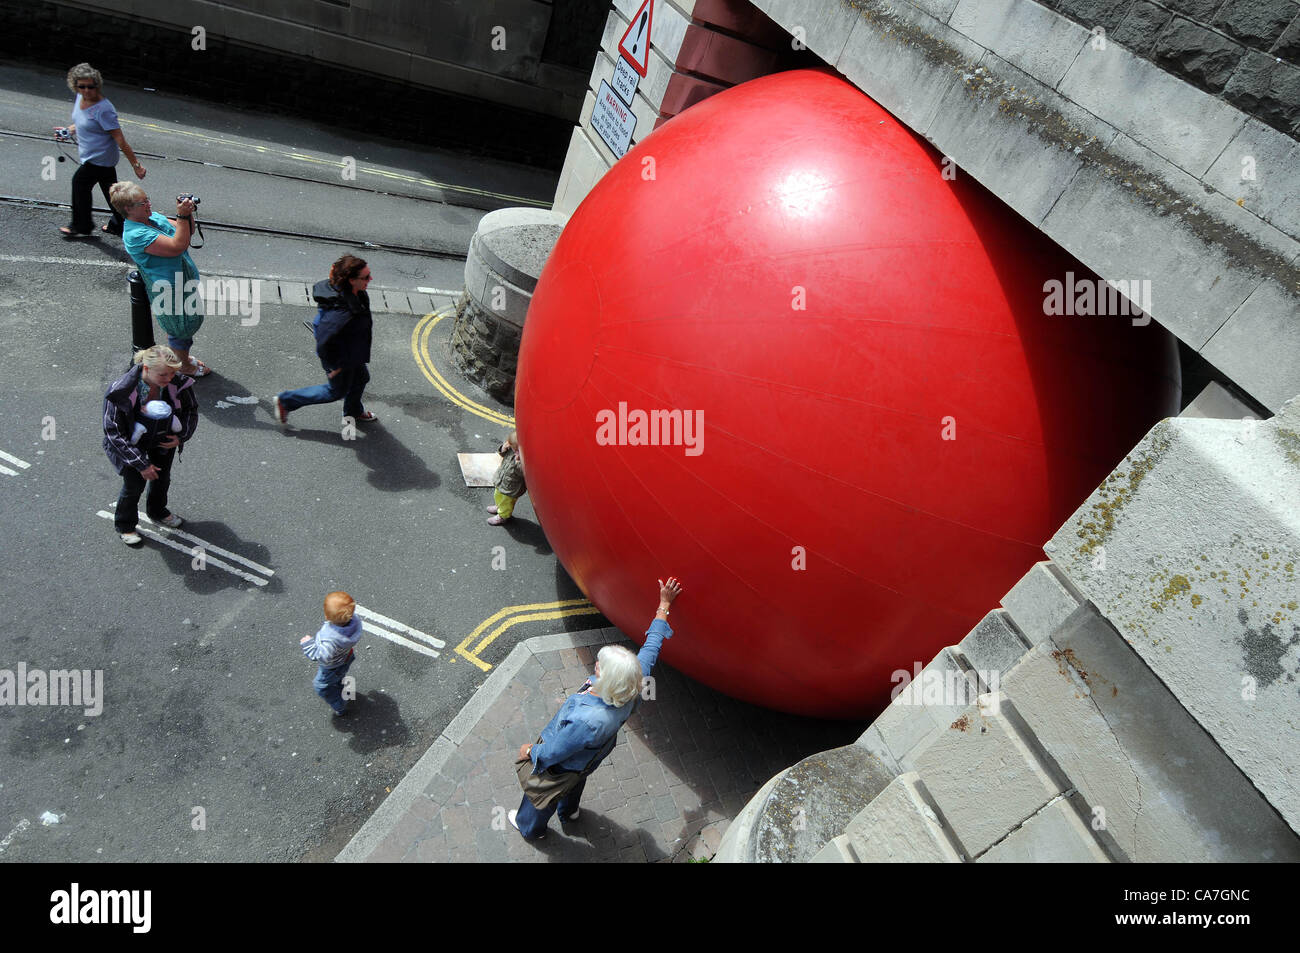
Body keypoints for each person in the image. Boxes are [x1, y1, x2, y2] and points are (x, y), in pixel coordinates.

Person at [510, 577, 684, 840]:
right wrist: (664, 604)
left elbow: (555, 752)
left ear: (609, 679)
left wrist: (530, 751)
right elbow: (652, 644)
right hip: (589, 758)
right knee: (576, 780)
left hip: (564, 763)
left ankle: (530, 828)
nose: (596, 666)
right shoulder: (634, 679)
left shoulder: (587, 720)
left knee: (542, 792)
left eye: (600, 667)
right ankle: (569, 812)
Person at [110, 181, 210, 378]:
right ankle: (182, 366)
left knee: (184, 324)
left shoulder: (152, 218)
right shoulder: (135, 234)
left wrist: (187, 213)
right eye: (142, 203)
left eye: (147, 200)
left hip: (182, 282)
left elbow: (186, 232)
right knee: (180, 328)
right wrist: (182, 215)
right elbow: (177, 246)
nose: (148, 205)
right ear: (128, 209)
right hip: (169, 289)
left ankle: (180, 357)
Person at [102, 346, 198, 547]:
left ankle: (157, 511)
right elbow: (114, 433)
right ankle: (125, 525)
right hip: (132, 448)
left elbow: (190, 410)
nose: (170, 378)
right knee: (133, 486)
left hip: (163, 442)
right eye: (163, 374)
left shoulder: (177, 381)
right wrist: (141, 464)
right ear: (146, 368)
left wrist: (180, 437)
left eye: (172, 373)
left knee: (162, 479)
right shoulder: (120, 390)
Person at [274, 255, 377, 426]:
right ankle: (286, 401)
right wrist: (336, 366)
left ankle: (353, 411)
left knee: (361, 378)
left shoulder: (350, 292)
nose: (370, 279)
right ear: (351, 280)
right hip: (341, 359)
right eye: (365, 277)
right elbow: (324, 341)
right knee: (334, 392)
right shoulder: (342, 314)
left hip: (352, 354)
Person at [58, 63, 146, 239]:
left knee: (80, 183)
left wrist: (136, 165)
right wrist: (68, 131)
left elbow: (120, 139)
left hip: (100, 158)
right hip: (92, 156)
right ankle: (122, 225)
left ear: (97, 85)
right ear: (75, 86)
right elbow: (83, 122)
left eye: (91, 86)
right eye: (81, 86)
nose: (86, 90)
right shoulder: (80, 98)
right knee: (112, 194)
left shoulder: (104, 109)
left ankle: (82, 225)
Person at [300, 591, 363, 716]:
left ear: (327, 617)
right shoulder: (355, 622)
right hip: (346, 656)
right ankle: (340, 684)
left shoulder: (331, 639)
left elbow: (322, 656)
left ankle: (340, 705)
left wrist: (308, 644)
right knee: (339, 676)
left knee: (321, 686)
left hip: (332, 667)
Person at [487, 430, 525, 526]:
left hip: (511, 488)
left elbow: (523, 473)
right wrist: (503, 448)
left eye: (514, 449)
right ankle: (499, 506)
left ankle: (503, 516)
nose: (511, 450)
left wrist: (518, 463)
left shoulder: (523, 459)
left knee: (506, 502)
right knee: (497, 495)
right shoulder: (511, 450)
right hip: (501, 479)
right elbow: (502, 454)